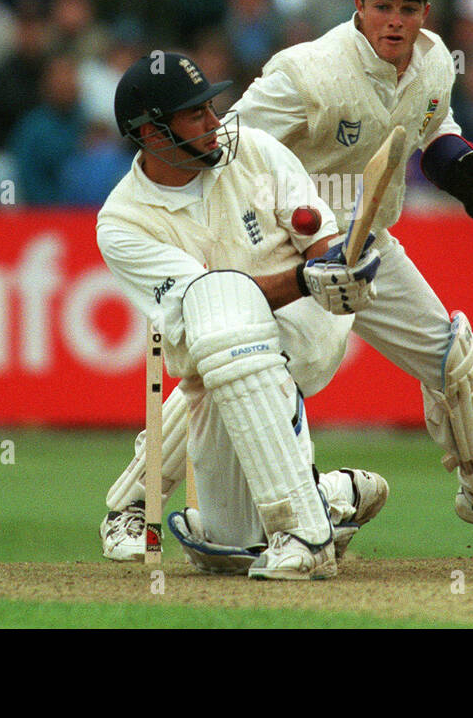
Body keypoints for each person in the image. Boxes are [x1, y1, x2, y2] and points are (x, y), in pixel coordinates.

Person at [99, 0, 473, 562]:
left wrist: (458, 164)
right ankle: (136, 501)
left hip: (366, 237)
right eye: (382, 6)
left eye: (408, 8)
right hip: (289, 236)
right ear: (358, 8)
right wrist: (241, 243)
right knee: (234, 362)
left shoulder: (432, 63)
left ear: (426, 12)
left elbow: (432, 126)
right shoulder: (307, 72)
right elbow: (229, 140)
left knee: (451, 354)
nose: (395, 21)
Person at [97, 52, 388, 580]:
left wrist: (343, 264)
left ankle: (304, 531)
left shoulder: (252, 149)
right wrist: (305, 277)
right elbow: (214, 300)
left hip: (302, 328)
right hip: (221, 359)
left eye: (212, 107)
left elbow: (319, 240)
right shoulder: (122, 223)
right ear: (151, 133)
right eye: (195, 115)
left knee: (228, 336)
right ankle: (328, 494)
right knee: (232, 545)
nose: (216, 124)